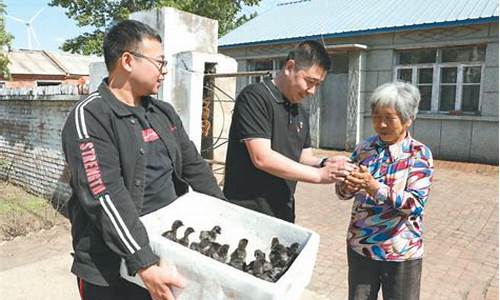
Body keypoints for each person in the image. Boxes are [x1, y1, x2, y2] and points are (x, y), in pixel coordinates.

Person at [61, 20, 224, 300]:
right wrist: (144, 262)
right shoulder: (91, 116)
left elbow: (194, 167)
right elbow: (104, 195)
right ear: (127, 61)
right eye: (159, 62)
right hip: (112, 268)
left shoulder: (163, 113)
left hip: (167, 252)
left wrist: (226, 214)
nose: (164, 70)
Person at [223, 40, 356, 223]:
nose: (312, 91)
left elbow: (303, 157)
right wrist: (319, 176)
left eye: (318, 84)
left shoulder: (299, 110)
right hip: (247, 211)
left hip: (283, 210)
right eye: (310, 81)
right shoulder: (255, 97)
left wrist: (325, 162)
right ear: (290, 67)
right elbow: (262, 157)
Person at [336, 81, 434, 300]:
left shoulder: (419, 154)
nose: (381, 125)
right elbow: (342, 193)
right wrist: (346, 186)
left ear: (409, 119)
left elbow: (415, 205)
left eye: (389, 118)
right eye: (376, 117)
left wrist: (375, 187)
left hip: (400, 251)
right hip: (361, 246)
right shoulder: (364, 148)